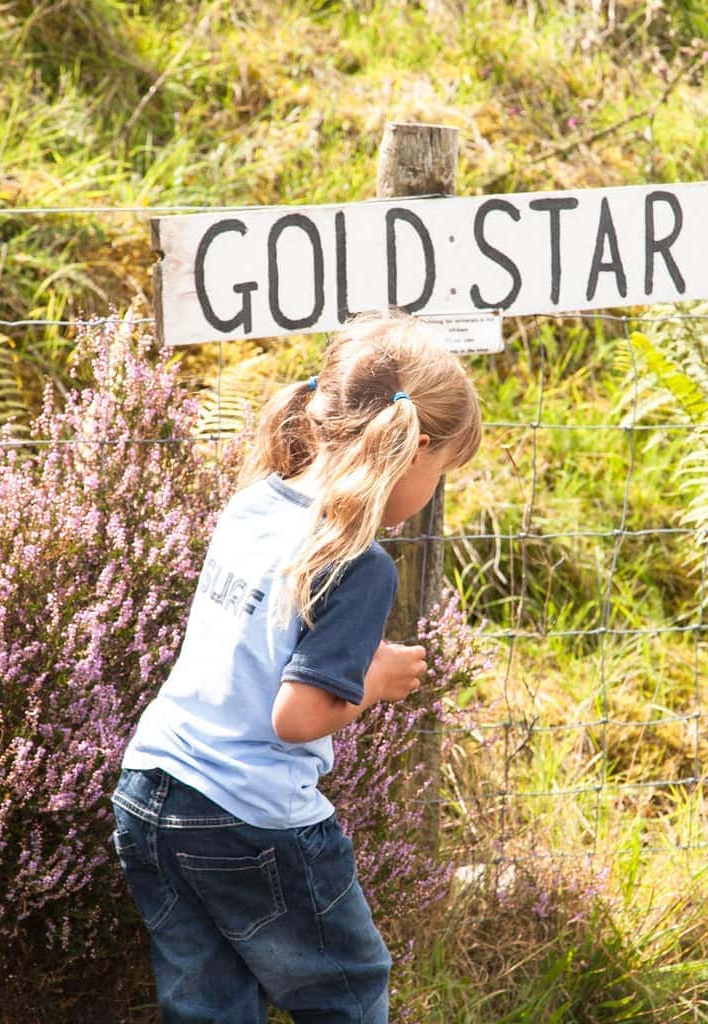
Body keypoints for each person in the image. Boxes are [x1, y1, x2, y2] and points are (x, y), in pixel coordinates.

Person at [110, 311, 482, 1024]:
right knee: (346, 990)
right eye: (439, 474)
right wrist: (375, 679)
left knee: (209, 1003)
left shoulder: (253, 503)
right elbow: (297, 717)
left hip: (152, 788)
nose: (432, 491)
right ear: (415, 450)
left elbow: (254, 644)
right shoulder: (359, 562)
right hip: (252, 817)